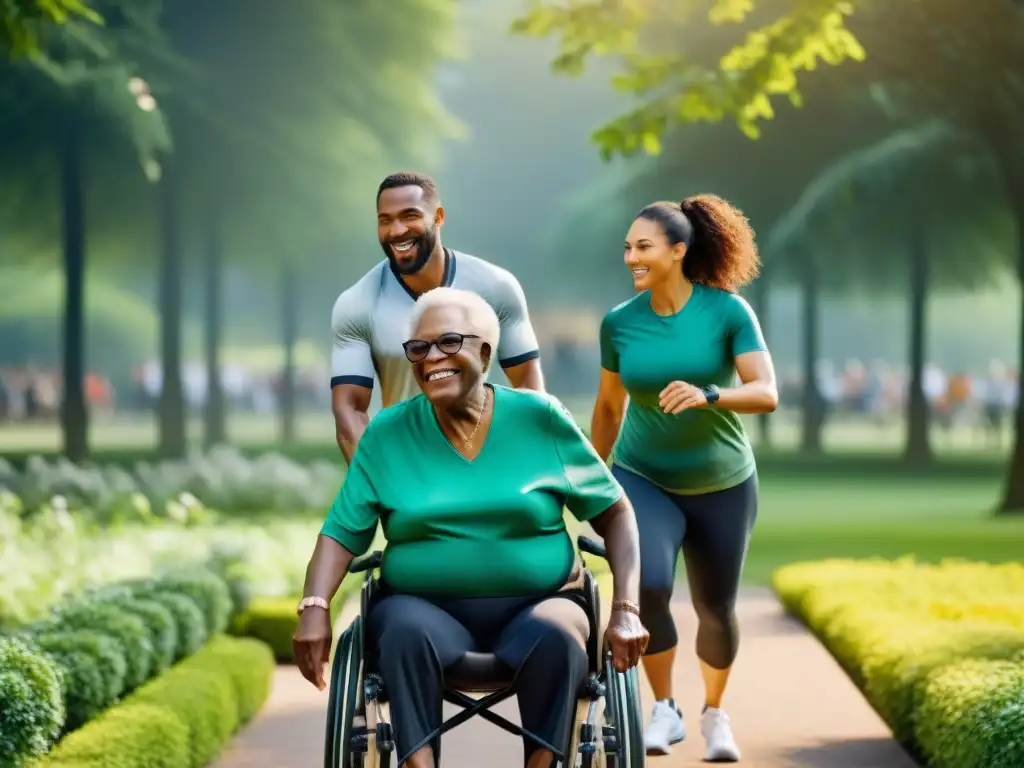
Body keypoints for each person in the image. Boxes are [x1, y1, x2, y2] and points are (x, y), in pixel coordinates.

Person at [295, 287, 649, 768]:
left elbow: (618, 514)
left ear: (484, 352)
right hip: (423, 609)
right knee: (402, 632)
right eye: (418, 349)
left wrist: (627, 608)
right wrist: (314, 606)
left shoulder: (540, 418)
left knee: (561, 634)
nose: (431, 358)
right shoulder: (387, 432)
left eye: (448, 343)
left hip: (539, 604)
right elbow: (340, 533)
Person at [590, 195, 778, 762]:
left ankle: (714, 714)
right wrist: (591, 477)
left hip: (724, 484)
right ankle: (664, 706)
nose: (630, 257)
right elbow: (606, 409)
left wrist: (709, 395)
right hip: (643, 476)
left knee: (716, 607)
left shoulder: (728, 313)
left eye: (642, 247)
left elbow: (767, 392)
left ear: (678, 250)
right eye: (627, 247)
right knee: (647, 586)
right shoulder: (620, 324)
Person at [330, 171, 545, 464]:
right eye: (385, 220)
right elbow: (350, 409)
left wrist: (526, 464)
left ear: (439, 216)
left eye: (409, 216)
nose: (397, 230)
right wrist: (378, 483)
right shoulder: (357, 303)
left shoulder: (496, 286)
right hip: (408, 467)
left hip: (485, 460)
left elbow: (529, 388)